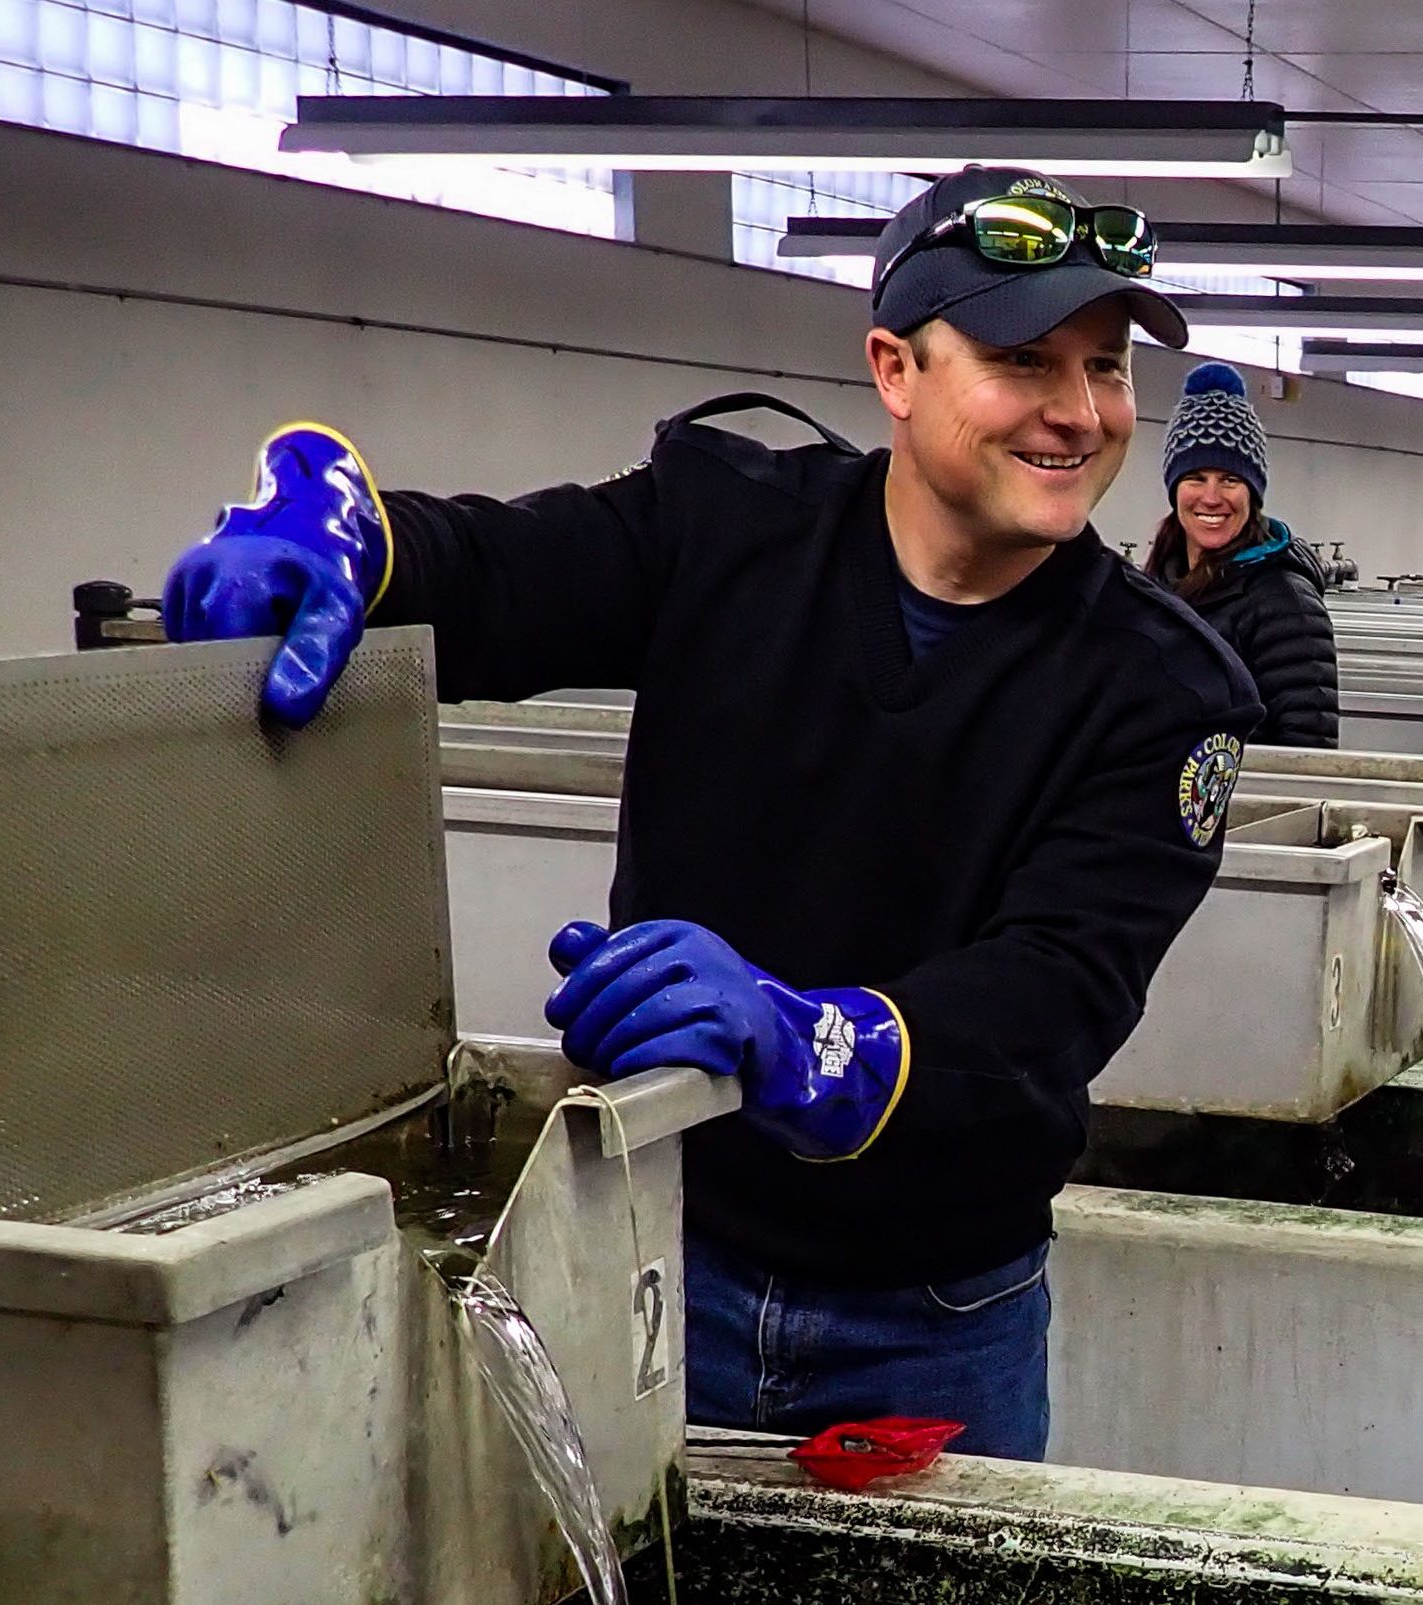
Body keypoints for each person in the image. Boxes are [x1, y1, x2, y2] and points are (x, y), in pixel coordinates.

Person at [156, 167, 1261, 1461]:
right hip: (658, 1256)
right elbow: (507, 574)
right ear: (895, 368)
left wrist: (816, 1040)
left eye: (1107, 368)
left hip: (934, 1315)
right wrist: (354, 539)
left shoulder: (1165, 692)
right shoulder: (728, 526)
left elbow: (1057, 993)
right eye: (1026, 360)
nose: (1079, 413)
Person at [1146, 360, 1337, 747]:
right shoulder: (1155, 587)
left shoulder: (1285, 602)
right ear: (1174, 489)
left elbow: (1309, 748)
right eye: (1196, 478)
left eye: (1230, 479)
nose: (1211, 498)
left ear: (1252, 493)